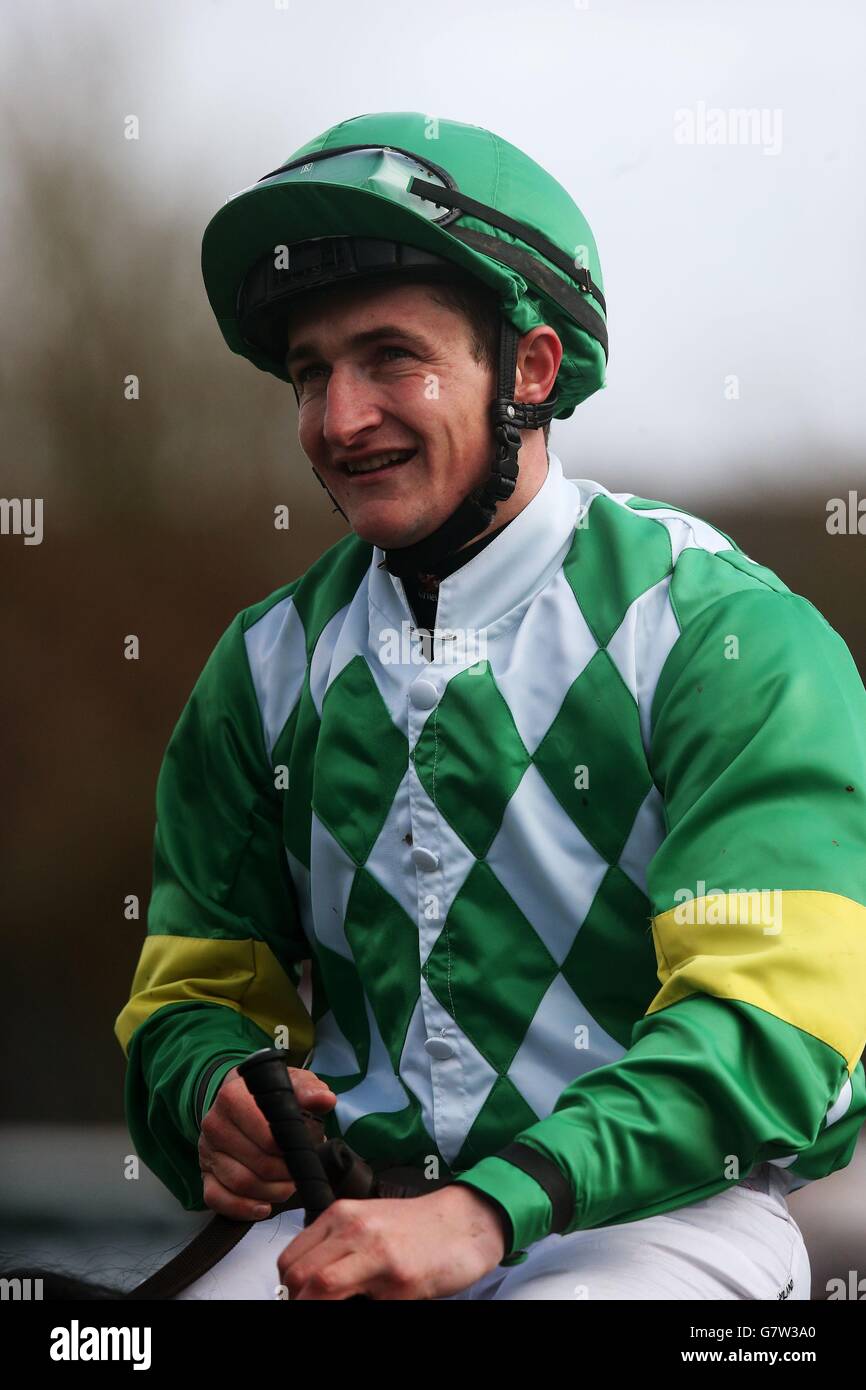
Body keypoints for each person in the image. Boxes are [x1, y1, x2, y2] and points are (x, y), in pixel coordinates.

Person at [114, 112, 866, 1300]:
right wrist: (208, 1091)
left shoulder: (729, 639)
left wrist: (487, 1206)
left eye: (389, 359)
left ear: (528, 370)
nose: (339, 419)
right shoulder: (258, 669)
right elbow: (190, 997)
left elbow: (774, 1028)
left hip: (652, 1223)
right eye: (311, 373)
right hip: (350, 1213)